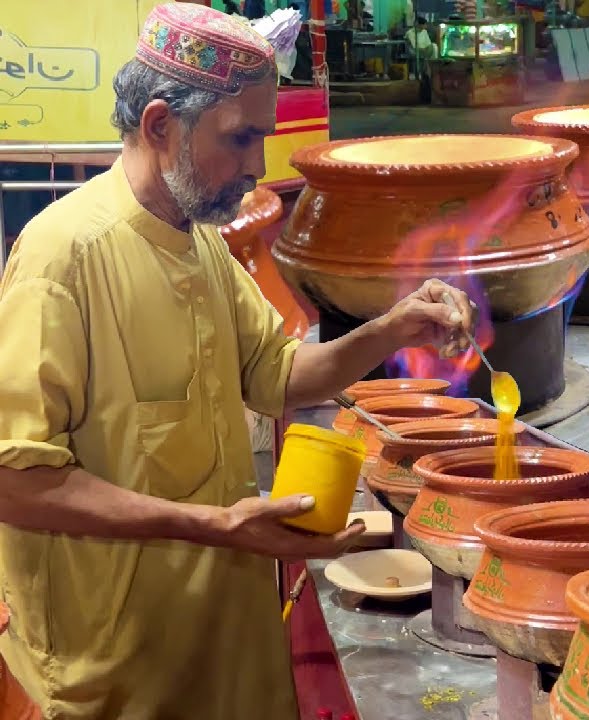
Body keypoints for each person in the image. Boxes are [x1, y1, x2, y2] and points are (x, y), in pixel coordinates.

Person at [0, 4, 475, 719]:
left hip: (225, 637)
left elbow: (277, 375)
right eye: (242, 138)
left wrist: (393, 328)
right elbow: (16, 483)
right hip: (120, 663)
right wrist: (216, 526)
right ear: (161, 126)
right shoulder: (63, 257)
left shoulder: (200, 241)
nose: (257, 167)